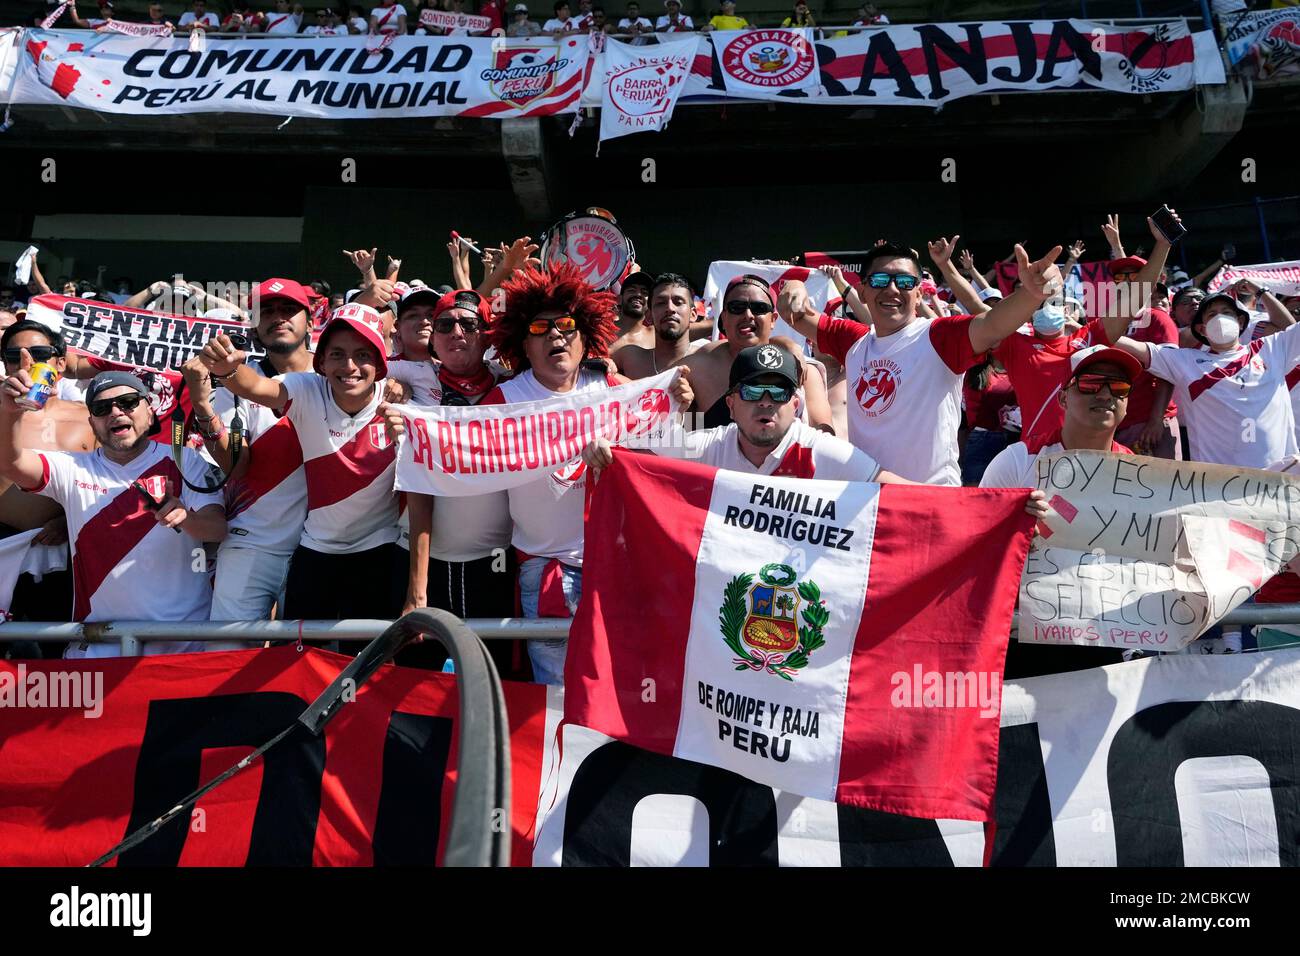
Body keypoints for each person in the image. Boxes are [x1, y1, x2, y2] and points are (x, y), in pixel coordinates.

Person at [477, 263, 688, 685]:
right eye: (541, 328)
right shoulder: (503, 399)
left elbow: (665, 448)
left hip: (615, 564)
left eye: (568, 324)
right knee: (559, 693)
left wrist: (679, 405)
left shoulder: (610, 386)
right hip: (546, 571)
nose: (556, 334)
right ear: (523, 343)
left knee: (617, 682)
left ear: (584, 335)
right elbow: (460, 457)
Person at [776, 240, 1067, 485]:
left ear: (918, 294)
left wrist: (1030, 295)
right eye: (880, 280)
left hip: (931, 502)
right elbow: (797, 315)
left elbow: (991, 325)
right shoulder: (854, 341)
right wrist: (794, 284)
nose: (892, 289)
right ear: (863, 291)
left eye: (904, 282)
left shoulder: (939, 338)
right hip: (868, 501)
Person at [0, 368, 230, 657]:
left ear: (149, 411)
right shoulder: (72, 466)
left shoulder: (186, 460)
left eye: (129, 402)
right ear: (92, 423)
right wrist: (9, 412)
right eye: (101, 407)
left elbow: (218, 528)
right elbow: (11, 464)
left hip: (181, 647)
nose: (116, 412)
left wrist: (188, 518)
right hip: (101, 648)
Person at [198, 304, 404, 623]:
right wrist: (228, 371)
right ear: (321, 361)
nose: (350, 366)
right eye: (337, 354)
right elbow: (255, 386)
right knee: (299, 659)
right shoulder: (306, 389)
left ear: (379, 362)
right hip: (312, 553)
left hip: (379, 554)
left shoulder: (401, 400)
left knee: (367, 664)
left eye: (363, 355)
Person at [381, 289, 521, 670]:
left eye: (469, 324)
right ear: (434, 337)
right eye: (445, 324)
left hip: (494, 562)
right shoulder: (406, 377)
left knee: (494, 679)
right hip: (420, 560)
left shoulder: (515, 385)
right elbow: (335, 367)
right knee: (415, 682)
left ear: (487, 334)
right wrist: (417, 591)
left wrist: (602, 365)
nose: (456, 331)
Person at [981, 344, 1136, 676]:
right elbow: (977, 543)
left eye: (1119, 387)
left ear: (1127, 404)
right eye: (1091, 384)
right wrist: (1014, 530)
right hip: (1024, 634)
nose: (1106, 394)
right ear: (1064, 398)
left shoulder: (1144, 478)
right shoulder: (1017, 461)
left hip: (1106, 635)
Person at [180, 279, 314, 622]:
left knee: (315, 657)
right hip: (252, 541)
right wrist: (202, 406)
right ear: (254, 327)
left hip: (325, 546)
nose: (277, 317)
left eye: (288, 309)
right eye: (266, 311)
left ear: (310, 322)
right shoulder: (235, 382)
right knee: (228, 654)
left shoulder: (337, 374)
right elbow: (236, 465)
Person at [1114, 292, 1300, 469]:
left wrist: (1260, 291)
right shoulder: (1185, 361)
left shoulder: (1273, 348)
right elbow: (1130, 346)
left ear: (1241, 321)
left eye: (1227, 313)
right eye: (1212, 314)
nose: (1220, 319)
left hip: (1281, 480)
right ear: (1201, 329)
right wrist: (1091, 330)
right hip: (1220, 486)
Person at [676, 274, 834, 431]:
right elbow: (685, 441)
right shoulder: (695, 368)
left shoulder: (801, 368)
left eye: (759, 308)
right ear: (723, 318)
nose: (748, 315)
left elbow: (824, 435)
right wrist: (683, 413)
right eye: (737, 307)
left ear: (773, 319)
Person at [615, 273, 705, 378]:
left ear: (693, 314)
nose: (670, 308)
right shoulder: (629, 358)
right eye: (661, 303)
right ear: (649, 316)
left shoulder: (708, 361)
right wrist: (607, 367)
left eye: (678, 302)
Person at [609, 271, 655, 354]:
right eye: (632, 290)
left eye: (644, 292)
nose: (638, 294)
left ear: (650, 303)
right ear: (619, 299)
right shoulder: (601, 331)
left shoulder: (656, 337)